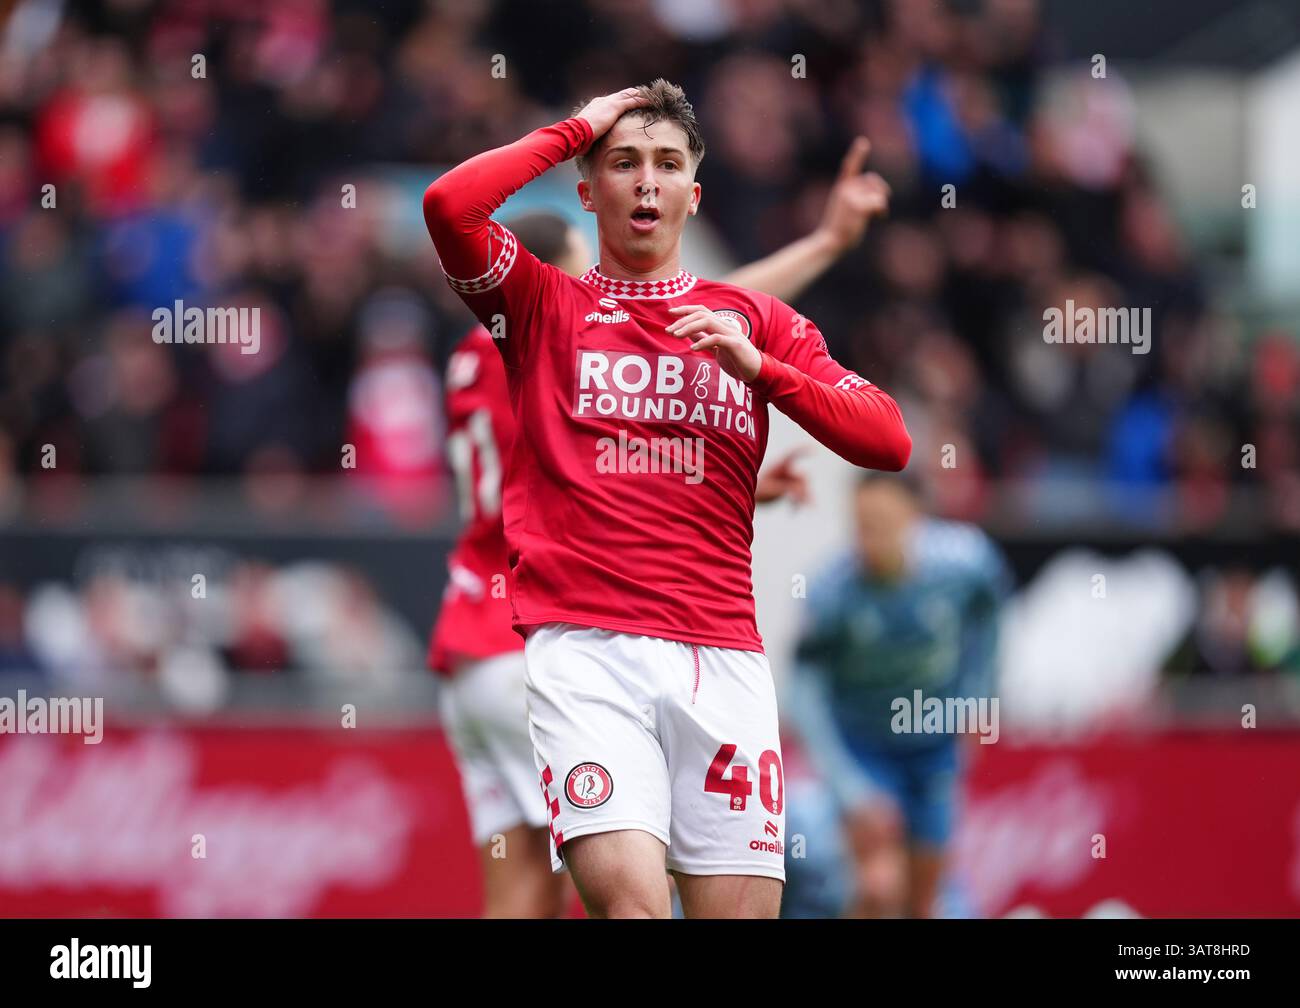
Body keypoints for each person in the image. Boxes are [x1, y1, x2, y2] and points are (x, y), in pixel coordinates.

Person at [422, 79, 909, 919]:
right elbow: (450, 208)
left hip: (722, 657)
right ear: (587, 190)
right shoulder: (543, 307)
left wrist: (766, 374)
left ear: (694, 191)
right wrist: (578, 125)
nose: (646, 180)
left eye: (667, 163)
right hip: (586, 653)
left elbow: (890, 439)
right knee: (635, 909)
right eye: (623, 163)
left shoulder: (753, 322)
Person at [784, 473, 1009, 917]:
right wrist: (846, 783)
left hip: (934, 746)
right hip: (864, 748)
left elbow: (993, 612)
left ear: (915, 519)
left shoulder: (965, 563)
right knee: (878, 888)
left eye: (882, 523)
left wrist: (980, 700)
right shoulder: (833, 591)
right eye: (861, 525)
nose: (870, 538)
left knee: (924, 901)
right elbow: (802, 691)